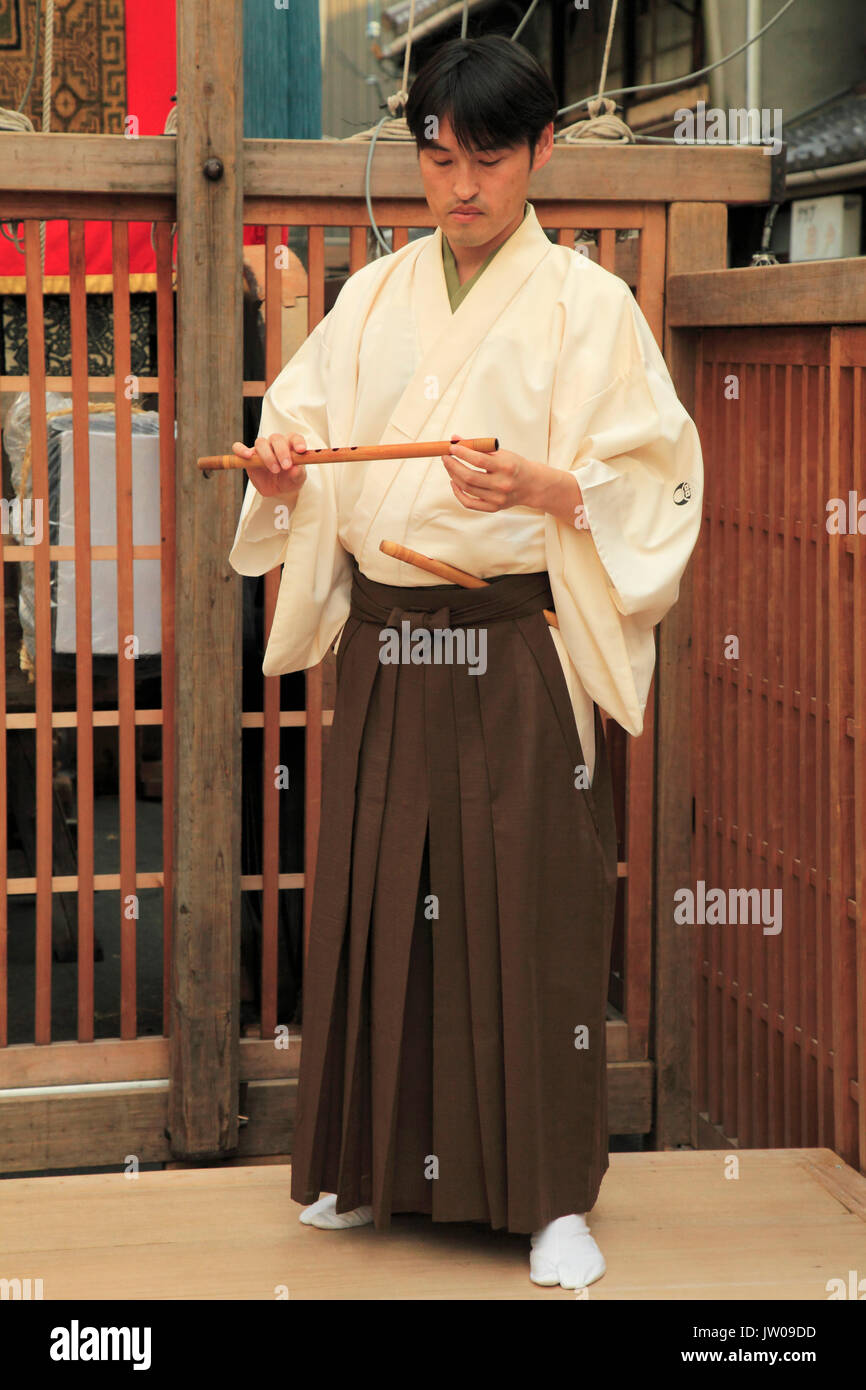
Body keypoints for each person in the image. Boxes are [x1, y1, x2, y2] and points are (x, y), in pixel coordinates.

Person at [228, 34, 703, 1290]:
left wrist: (555, 486)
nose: (460, 189)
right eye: (440, 160)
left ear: (541, 153)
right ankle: (369, 1165)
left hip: (511, 642)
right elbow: (305, 423)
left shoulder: (585, 303)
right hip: (390, 642)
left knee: (531, 904)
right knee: (382, 897)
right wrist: (282, 468)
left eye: (488, 160)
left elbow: (661, 476)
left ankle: (549, 1197)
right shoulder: (375, 296)